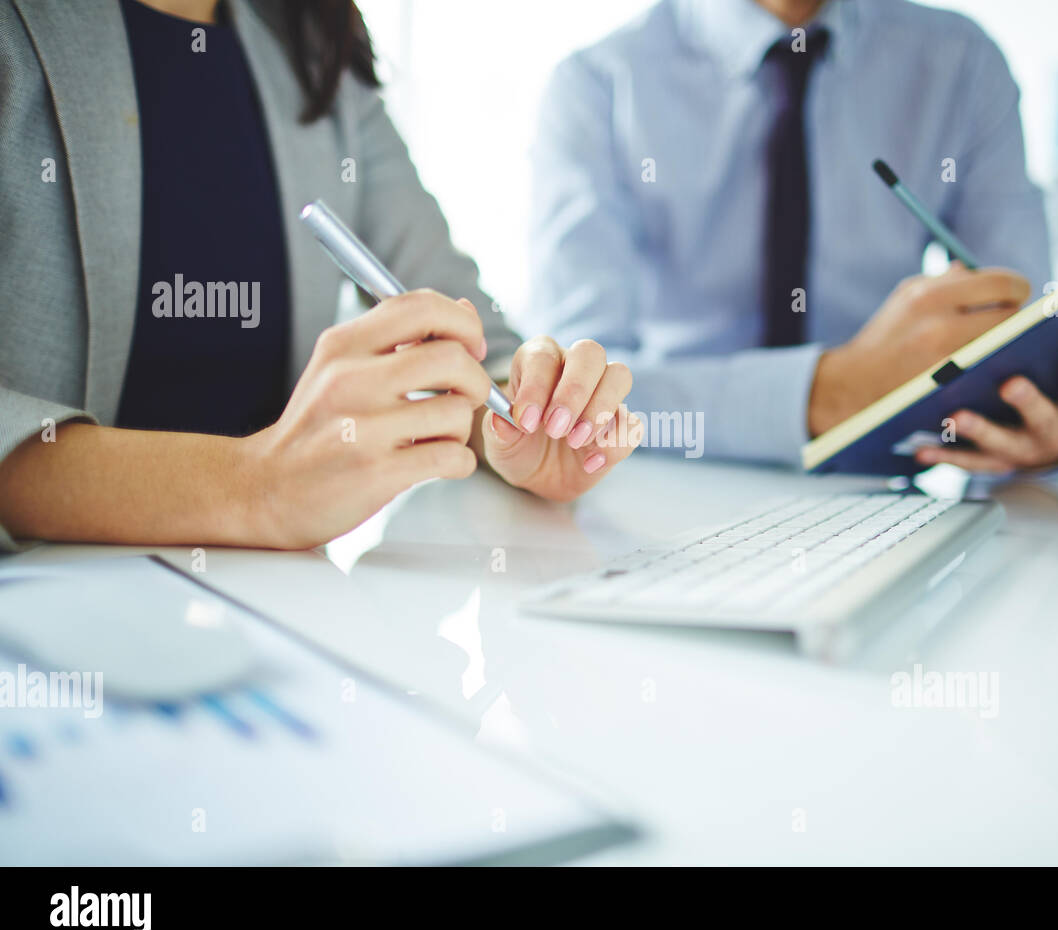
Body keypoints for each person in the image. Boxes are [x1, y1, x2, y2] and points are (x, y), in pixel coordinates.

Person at [0, 0, 640, 553]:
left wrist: (523, 420)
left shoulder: (313, 49)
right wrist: (253, 486)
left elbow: (472, 333)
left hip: (273, 604)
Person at [528, 0, 1058, 473]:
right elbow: (575, 394)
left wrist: (1037, 421)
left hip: (891, 495)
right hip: (663, 482)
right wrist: (828, 390)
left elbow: (1015, 327)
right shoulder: (597, 87)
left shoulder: (962, 65)